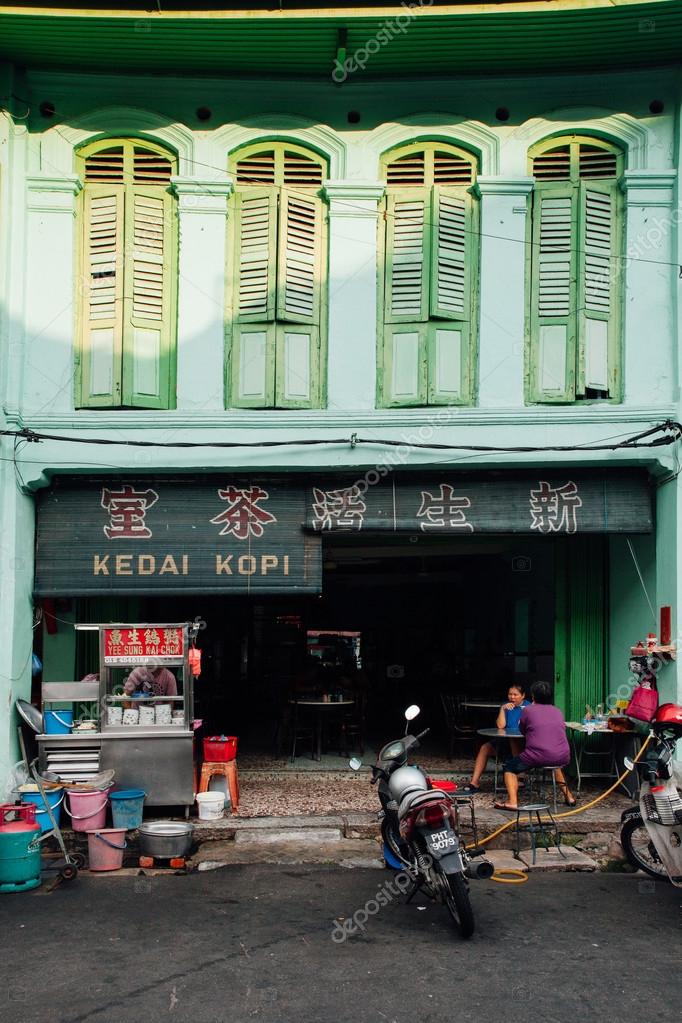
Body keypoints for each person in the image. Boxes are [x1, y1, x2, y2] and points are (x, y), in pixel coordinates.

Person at [494, 680, 576, 811]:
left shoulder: (528, 710)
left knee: (509, 767)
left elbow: (523, 730)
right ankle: (569, 796)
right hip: (562, 756)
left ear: (532, 696)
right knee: (554, 765)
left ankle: (512, 802)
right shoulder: (557, 711)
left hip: (537, 756)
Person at [460, 684, 530, 794]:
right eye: (510, 694)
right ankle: (474, 783)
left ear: (523, 696)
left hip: (523, 743)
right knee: (485, 748)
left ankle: (520, 775)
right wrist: (503, 709)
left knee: (514, 741)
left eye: (515, 695)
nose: (512, 697)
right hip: (505, 740)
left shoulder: (528, 707)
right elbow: (501, 726)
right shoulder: (506, 706)